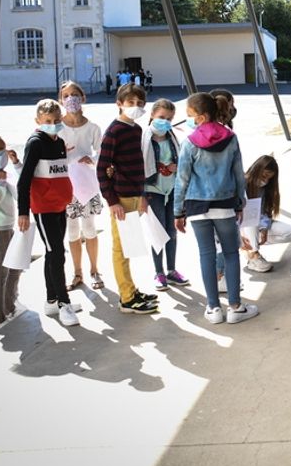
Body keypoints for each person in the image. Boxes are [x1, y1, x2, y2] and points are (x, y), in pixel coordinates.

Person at [174, 92, 258, 324]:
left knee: (206, 255)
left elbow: (182, 179)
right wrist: (240, 202)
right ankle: (235, 307)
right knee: (231, 254)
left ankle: (213, 308)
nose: (188, 120)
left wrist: (178, 212)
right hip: (225, 205)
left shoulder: (189, 142)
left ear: (200, 117)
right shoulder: (231, 138)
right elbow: (238, 175)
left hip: (197, 206)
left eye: (189, 115)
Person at [18, 99, 81, 328]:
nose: (53, 125)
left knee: (52, 252)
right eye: (47, 122)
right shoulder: (35, 143)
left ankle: (52, 300)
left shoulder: (60, 142)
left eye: (56, 121)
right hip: (43, 208)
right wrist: (23, 212)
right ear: (38, 121)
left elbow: (60, 173)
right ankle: (65, 304)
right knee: (57, 253)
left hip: (60, 205)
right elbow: (23, 180)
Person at [97, 83, 159, 314]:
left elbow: (139, 165)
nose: (135, 107)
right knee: (120, 249)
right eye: (130, 103)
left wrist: (142, 194)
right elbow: (102, 168)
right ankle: (126, 298)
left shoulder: (136, 130)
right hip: (120, 198)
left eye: (140, 103)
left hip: (134, 195)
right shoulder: (114, 131)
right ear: (119, 104)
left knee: (130, 246)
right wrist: (111, 201)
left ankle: (131, 290)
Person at [59, 81, 104, 291]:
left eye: (75, 94)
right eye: (66, 95)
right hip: (66, 187)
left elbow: (101, 153)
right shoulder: (57, 127)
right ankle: (77, 273)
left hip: (87, 185)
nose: (71, 99)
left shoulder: (93, 128)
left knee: (89, 228)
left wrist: (92, 158)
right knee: (72, 232)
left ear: (83, 98)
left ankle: (95, 270)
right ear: (61, 100)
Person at [143, 99, 189, 290]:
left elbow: (179, 159)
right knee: (158, 233)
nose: (165, 121)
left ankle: (171, 270)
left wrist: (175, 167)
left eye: (169, 118)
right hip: (153, 191)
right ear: (152, 115)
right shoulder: (144, 137)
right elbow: (140, 166)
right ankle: (158, 272)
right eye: (162, 117)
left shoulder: (172, 136)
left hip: (172, 189)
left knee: (171, 232)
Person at [0, 134, 24, 332]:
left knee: (14, 267)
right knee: (1, 272)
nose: (3, 153)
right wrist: (1, 183)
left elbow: (15, 193)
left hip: (7, 225)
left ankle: (9, 306)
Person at [241, 155, 291, 270]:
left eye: (269, 178)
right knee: (252, 218)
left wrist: (264, 228)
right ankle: (253, 255)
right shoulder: (241, 183)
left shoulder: (267, 189)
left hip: (257, 224)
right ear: (256, 169)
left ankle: (251, 246)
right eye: (264, 176)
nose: (265, 181)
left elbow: (266, 210)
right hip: (241, 225)